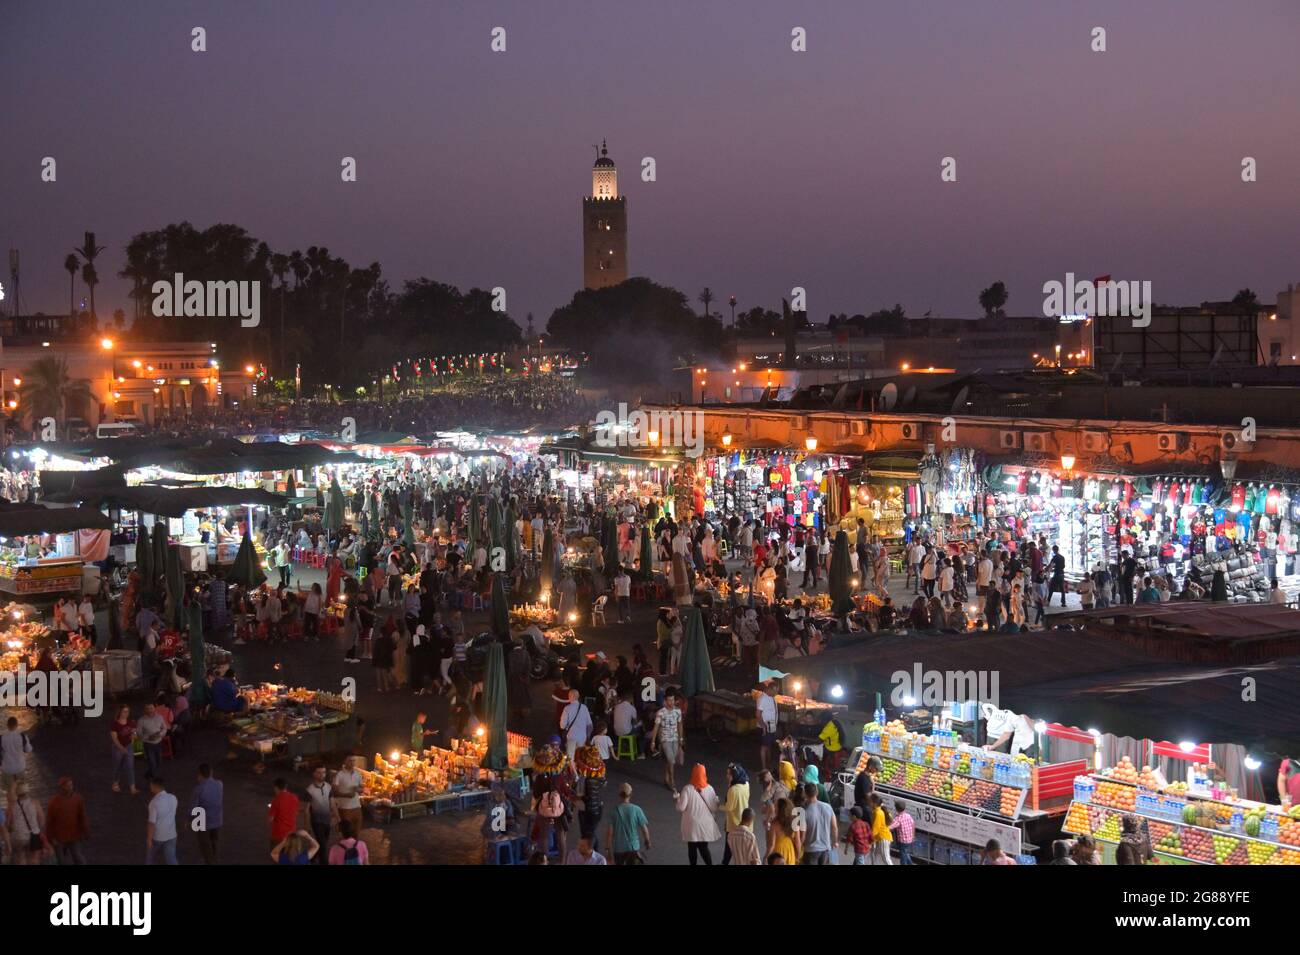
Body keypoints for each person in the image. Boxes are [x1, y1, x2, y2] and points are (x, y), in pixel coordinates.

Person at [675, 763, 721, 865]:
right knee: (704, 848)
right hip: (705, 824)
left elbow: (681, 807)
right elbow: (714, 808)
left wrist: (677, 799)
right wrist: (717, 801)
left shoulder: (687, 789)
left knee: (692, 848)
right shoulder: (710, 788)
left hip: (691, 824)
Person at [46, 776, 90, 865]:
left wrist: (85, 831)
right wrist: (51, 838)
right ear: (62, 787)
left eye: (71, 785)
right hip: (59, 837)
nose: (70, 787)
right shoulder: (54, 801)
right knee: (61, 860)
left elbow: (82, 816)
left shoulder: (78, 799)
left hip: (74, 835)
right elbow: (49, 821)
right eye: (68, 785)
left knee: (78, 857)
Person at [650, 691, 685, 791]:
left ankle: (666, 778)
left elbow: (680, 724)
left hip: (675, 738)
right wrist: (653, 741)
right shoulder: (660, 712)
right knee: (671, 760)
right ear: (665, 701)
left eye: (673, 700)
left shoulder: (678, 711)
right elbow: (656, 727)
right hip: (664, 739)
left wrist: (681, 738)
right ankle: (672, 781)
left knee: (670, 760)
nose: (671, 702)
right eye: (669, 700)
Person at [190, 763, 224, 865]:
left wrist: (189, 819)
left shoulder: (199, 789)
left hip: (202, 821)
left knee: (205, 844)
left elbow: (193, 807)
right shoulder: (219, 784)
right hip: (217, 818)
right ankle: (214, 858)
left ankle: (210, 861)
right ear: (211, 772)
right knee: (214, 841)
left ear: (200, 775)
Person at [8, 782, 47, 865]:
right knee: (34, 858)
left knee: (21, 857)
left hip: (18, 836)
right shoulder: (35, 803)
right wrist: (39, 830)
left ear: (17, 793)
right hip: (34, 834)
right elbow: (42, 820)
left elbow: (8, 822)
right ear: (27, 791)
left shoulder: (12, 805)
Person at [800, 781, 838, 865]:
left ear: (805, 794)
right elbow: (834, 827)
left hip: (810, 851)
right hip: (825, 849)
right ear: (816, 792)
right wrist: (835, 842)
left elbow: (803, 836)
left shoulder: (804, 813)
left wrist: (798, 849)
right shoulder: (828, 807)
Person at [720, 762, 751, 865]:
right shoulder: (746, 784)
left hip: (734, 823)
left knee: (729, 847)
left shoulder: (733, 790)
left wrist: (717, 806)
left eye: (729, 774)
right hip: (745, 822)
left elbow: (729, 807)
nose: (727, 776)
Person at [146, 776, 179, 865]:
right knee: (171, 859)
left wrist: (149, 839)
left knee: (151, 858)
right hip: (172, 834)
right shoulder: (173, 798)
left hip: (158, 836)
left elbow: (151, 823)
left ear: (154, 786)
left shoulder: (154, 802)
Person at [108, 705, 138, 795]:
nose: (126, 714)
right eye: (124, 711)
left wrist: (133, 737)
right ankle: (115, 784)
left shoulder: (131, 722)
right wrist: (121, 748)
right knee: (118, 766)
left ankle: (132, 787)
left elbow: (134, 733)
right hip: (117, 748)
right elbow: (114, 739)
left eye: (127, 711)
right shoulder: (114, 724)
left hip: (128, 746)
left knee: (130, 767)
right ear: (120, 712)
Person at [332, 756, 364, 836]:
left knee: (356, 832)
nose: (352, 762)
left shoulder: (358, 774)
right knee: (347, 833)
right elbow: (334, 792)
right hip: (345, 808)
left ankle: (355, 847)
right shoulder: (339, 775)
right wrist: (346, 795)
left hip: (357, 807)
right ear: (345, 762)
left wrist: (358, 789)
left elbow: (362, 789)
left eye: (353, 761)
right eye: (350, 760)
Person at [559, 689, 593, 761]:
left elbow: (562, 726)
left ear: (570, 696)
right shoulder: (584, 708)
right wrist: (588, 737)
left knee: (570, 759)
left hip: (571, 737)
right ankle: (579, 771)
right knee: (580, 758)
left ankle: (572, 771)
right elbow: (590, 725)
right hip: (582, 737)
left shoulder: (567, 709)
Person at [268, 777, 300, 848]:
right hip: (291, 833)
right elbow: (296, 812)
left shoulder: (276, 800)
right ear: (286, 786)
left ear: (276, 788)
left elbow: (270, 819)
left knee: (276, 856)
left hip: (278, 834)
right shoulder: (294, 797)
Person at [0, 716, 30, 791]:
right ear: (17, 725)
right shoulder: (22, 736)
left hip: (7, 769)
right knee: (22, 792)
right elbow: (28, 750)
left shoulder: (1, 738)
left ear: (7, 725)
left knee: (10, 793)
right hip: (20, 768)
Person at [769, 797, 800, 865]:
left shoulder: (774, 824)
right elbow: (797, 842)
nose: (774, 807)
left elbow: (772, 844)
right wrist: (798, 855)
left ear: (780, 810)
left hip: (777, 852)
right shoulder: (794, 822)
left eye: (776, 806)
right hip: (789, 851)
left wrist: (767, 856)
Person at [756, 682, 778, 772]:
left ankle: (768, 765)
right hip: (765, 727)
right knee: (764, 747)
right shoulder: (762, 698)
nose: (777, 693)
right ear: (771, 689)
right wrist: (763, 726)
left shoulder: (771, 697)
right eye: (776, 691)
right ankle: (764, 768)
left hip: (771, 726)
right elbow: (758, 714)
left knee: (769, 746)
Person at [867, 793, 892, 864]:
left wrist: (870, 841)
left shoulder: (878, 813)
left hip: (883, 837)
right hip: (880, 838)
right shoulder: (878, 811)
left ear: (874, 803)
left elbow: (875, 829)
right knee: (874, 855)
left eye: (869, 801)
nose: (868, 802)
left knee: (886, 858)